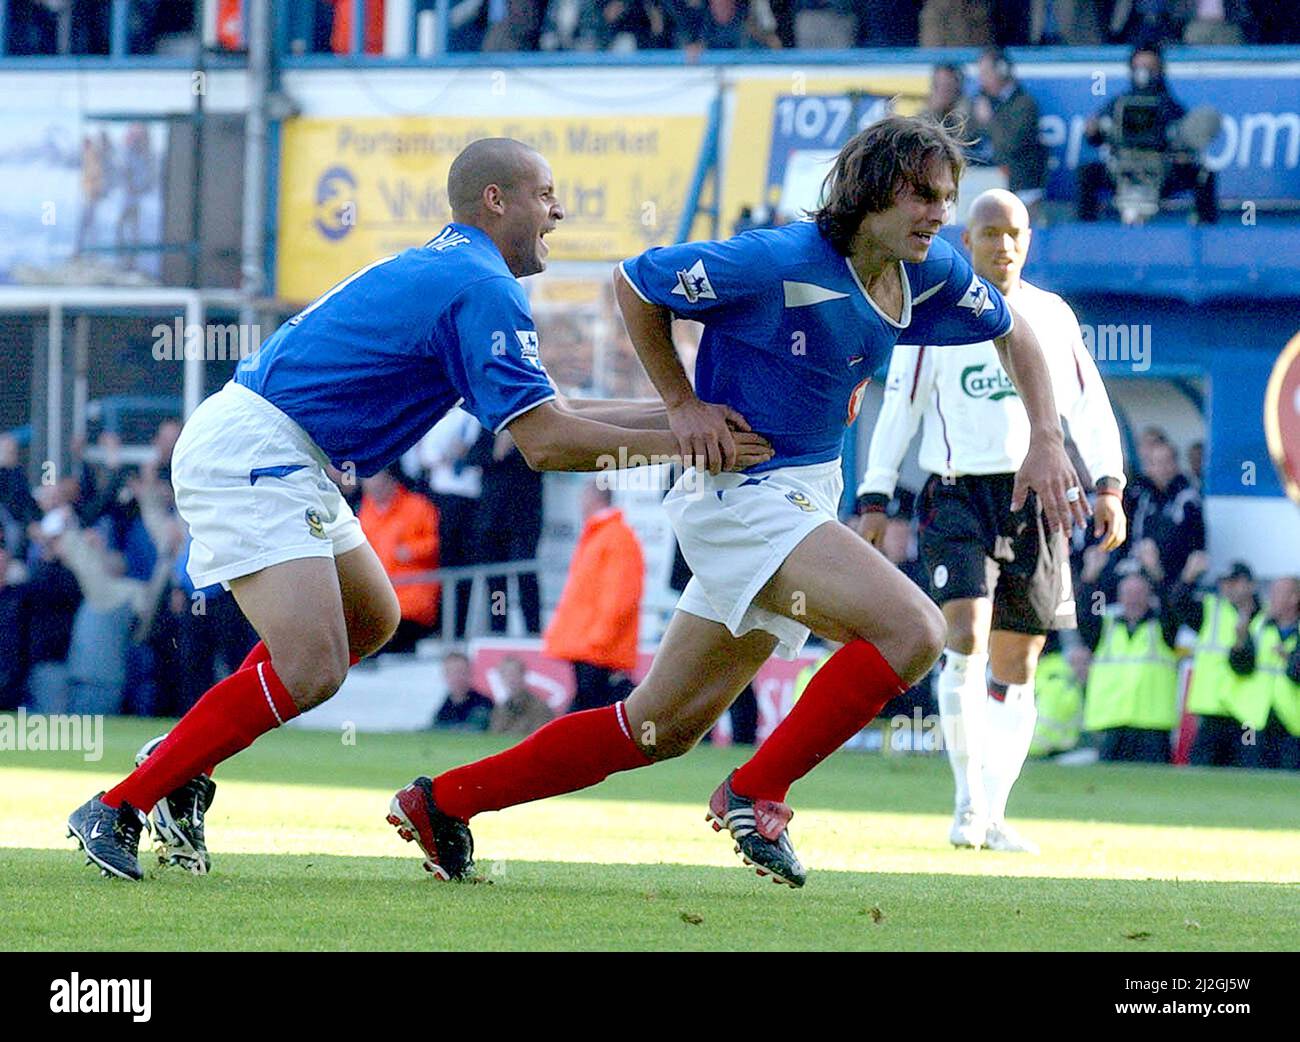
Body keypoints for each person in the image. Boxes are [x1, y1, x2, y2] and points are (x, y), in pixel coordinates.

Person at [389, 116, 1088, 888]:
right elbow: (634, 282)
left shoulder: (928, 269)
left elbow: (1016, 331)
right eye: (924, 195)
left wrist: (1046, 439)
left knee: (656, 727)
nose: (940, 214)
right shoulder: (777, 259)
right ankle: (757, 791)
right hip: (741, 493)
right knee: (914, 630)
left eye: (947, 197)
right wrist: (682, 404)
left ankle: (442, 804)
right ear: (872, 191)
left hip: (801, 497)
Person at [68, 136, 773, 882]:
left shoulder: (461, 268)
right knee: (313, 667)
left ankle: (180, 766)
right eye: (545, 194)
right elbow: (545, 445)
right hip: (258, 448)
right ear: (495, 200)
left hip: (290, 451)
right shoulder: (482, 285)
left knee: (373, 618)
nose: (558, 211)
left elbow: (556, 411)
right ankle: (120, 804)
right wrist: (681, 443)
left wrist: (683, 417)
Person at [857, 188, 1126, 853]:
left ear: (1027, 241)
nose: (1003, 245)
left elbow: (1088, 407)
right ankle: (967, 805)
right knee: (965, 634)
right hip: (956, 494)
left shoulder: (1053, 315)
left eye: (1014, 234)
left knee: (1019, 661)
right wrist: (874, 496)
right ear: (965, 241)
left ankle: (996, 812)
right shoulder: (934, 312)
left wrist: (1111, 486)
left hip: (1038, 498)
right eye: (989, 233)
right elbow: (902, 406)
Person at [1077, 44, 1218, 224]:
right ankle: (1086, 229)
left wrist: (1182, 153)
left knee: (1203, 175)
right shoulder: (1118, 103)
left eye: (1150, 68)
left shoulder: (1170, 106)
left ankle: (1206, 229)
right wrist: (1093, 130)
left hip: (1161, 170)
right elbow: (1094, 138)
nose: (1144, 73)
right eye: (1139, 68)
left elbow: (1186, 140)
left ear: (1160, 70)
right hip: (1123, 169)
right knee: (1087, 173)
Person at [545, 482, 645, 713]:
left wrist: (600, 637)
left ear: (594, 498)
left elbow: (621, 595)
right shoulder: (602, 535)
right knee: (590, 711)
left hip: (597, 646)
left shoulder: (614, 537)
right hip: (590, 643)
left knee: (589, 711)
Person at [1079, 569, 1181, 763]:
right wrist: (1091, 579)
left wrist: (1156, 574)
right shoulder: (1105, 627)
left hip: (1152, 726)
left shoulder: (1163, 627)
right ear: (1119, 597)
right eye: (1128, 593)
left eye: (1138, 593)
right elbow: (1087, 613)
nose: (1133, 600)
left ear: (1149, 596)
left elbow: (1172, 607)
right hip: (1112, 723)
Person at [1173, 553, 1260, 767]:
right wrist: (1189, 576)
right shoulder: (1210, 609)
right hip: (1212, 710)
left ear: (1250, 584)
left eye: (1235, 581)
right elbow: (1178, 603)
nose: (1229, 587)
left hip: (1248, 712)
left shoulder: (1265, 615)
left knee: (1247, 772)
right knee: (1202, 771)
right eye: (1225, 582)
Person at [358, 465, 441, 653]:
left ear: (391, 482)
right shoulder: (364, 513)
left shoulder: (418, 506)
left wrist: (411, 551)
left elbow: (435, 544)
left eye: (378, 485)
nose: (374, 491)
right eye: (369, 487)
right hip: (379, 602)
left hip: (412, 601)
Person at [1230, 576, 1300, 769]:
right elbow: (1240, 668)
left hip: (1291, 720)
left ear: (1294, 598)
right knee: (1247, 765)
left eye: (1277, 593)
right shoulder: (1259, 625)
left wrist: (1290, 659)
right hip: (1251, 718)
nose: (1271, 599)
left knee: (1288, 773)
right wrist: (1239, 641)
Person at [969, 49, 1047, 208]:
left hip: (1020, 187)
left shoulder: (1024, 104)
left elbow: (1011, 144)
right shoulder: (981, 100)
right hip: (984, 183)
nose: (981, 80)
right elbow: (967, 139)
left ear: (1002, 71)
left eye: (986, 73)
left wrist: (989, 120)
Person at [488, 657, 554, 736]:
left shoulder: (539, 707)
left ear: (523, 675)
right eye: (506, 674)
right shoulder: (501, 708)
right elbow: (494, 734)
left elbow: (540, 735)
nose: (511, 679)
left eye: (514, 674)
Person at [432, 651, 494, 732]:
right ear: (445, 675)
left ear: (470, 673)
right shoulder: (445, 705)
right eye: (450, 672)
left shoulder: (483, 703)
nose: (456, 677)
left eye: (460, 671)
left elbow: (475, 729)